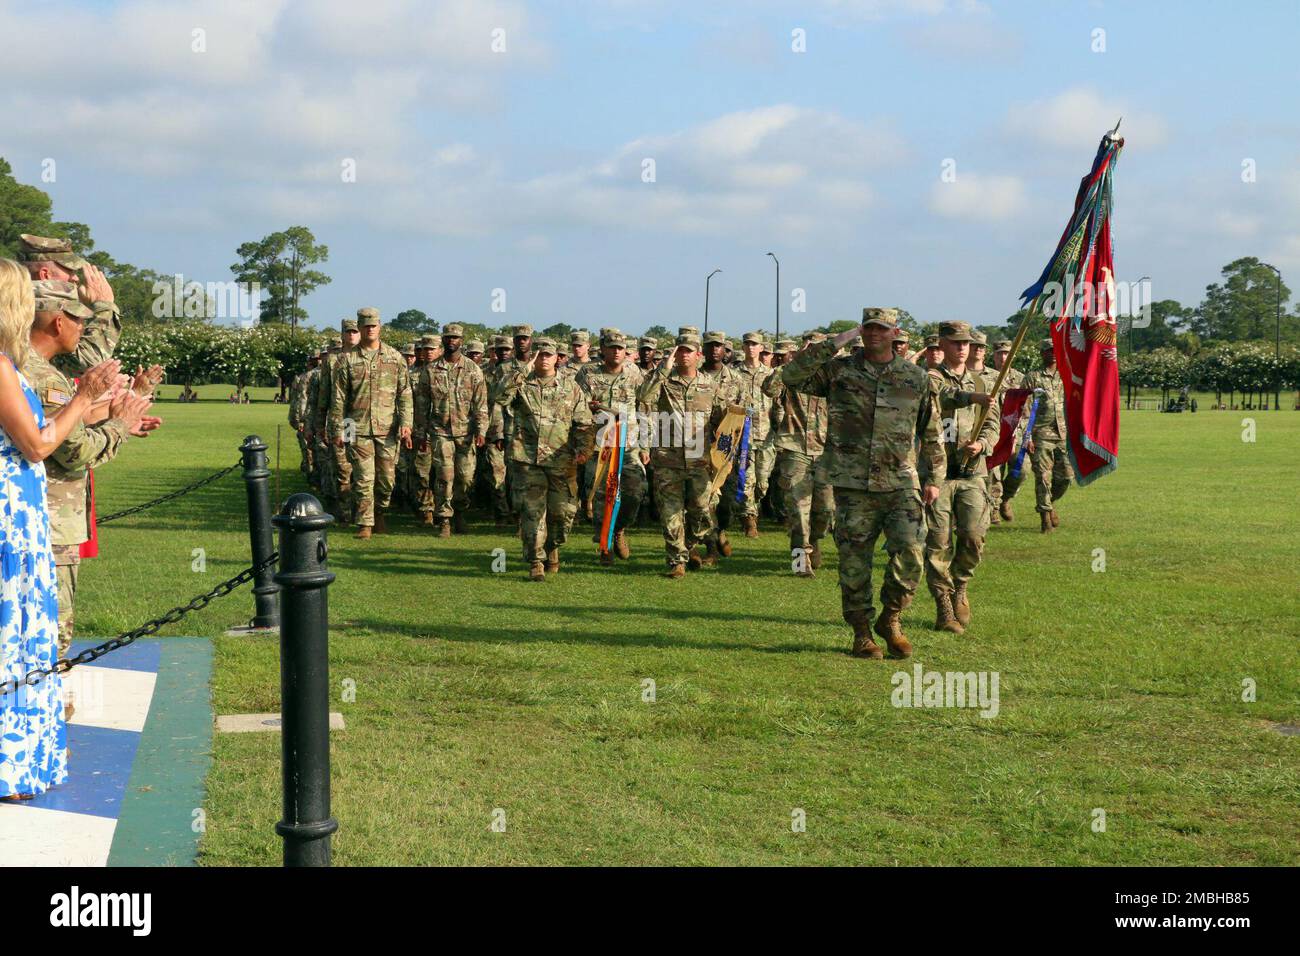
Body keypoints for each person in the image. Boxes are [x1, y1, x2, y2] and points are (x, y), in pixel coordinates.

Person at [0, 259, 119, 800]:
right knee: (15, 634)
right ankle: (12, 761)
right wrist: (85, 396)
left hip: (20, 511)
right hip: (12, 514)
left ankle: (22, 754)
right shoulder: (2, 364)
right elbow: (41, 443)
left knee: (26, 631)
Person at [779, 308, 944, 660]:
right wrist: (837, 341)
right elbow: (791, 376)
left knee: (912, 553)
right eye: (868, 328)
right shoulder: (840, 372)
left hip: (901, 482)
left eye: (882, 329)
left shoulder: (915, 377)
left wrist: (935, 478)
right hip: (852, 485)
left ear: (895, 333)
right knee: (854, 564)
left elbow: (931, 431)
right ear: (861, 331)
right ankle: (862, 633)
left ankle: (891, 617)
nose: (874, 334)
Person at [24, 280, 159, 692]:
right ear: (57, 321)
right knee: (50, 631)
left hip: (38, 517)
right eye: (80, 320)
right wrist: (120, 422)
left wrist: (115, 412)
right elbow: (72, 452)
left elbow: (65, 429)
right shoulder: (44, 377)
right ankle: (44, 715)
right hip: (49, 519)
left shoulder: (25, 367)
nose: (84, 329)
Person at [492, 337, 592, 580]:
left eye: (549, 354)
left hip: (561, 461)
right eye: (541, 354)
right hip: (527, 460)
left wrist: (584, 449)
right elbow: (500, 397)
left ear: (558, 357)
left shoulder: (571, 387)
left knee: (563, 513)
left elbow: (584, 422)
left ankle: (552, 548)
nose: (544, 358)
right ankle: (536, 561)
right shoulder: (522, 384)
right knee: (532, 513)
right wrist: (523, 370)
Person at [923, 321, 1000, 633]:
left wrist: (982, 444)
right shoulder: (930, 376)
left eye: (966, 343)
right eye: (955, 343)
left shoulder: (982, 384)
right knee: (938, 542)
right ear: (942, 344)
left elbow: (993, 423)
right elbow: (943, 395)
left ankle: (961, 584)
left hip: (973, 473)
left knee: (972, 536)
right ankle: (944, 606)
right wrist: (971, 398)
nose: (962, 348)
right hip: (938, 473)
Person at [636, 332, 730, 578]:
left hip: (700, 458)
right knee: (670, 513)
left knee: (702, 510)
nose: (683, 355)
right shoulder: (663, 382)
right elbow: (643, 397)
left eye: (688, 351)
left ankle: (687, 545)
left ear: (698, 355)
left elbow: (724, 422)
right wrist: (663, 368)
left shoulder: (710, 385)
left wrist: (727, 453)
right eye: (679, 351)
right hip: (668, 457)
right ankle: (676, 562)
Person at [330, 308, 413, 539]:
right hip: (358, 429)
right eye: (365, 326)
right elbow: (339, 399)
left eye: (373, 325)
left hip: (388, 429)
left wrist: (406, 424)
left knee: (386, 480)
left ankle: (380, 512)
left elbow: (404, 394)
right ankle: (365, 524)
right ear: (359, 327)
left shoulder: (395, 358)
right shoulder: (346, 360)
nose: (369, 329)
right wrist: (340, 431)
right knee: (364, 478)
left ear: (380, 327)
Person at [762, 331, 833, 577]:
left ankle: (815, 540)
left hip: (826, 450)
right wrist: (793, 363)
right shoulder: (792, 375)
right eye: (810, 348)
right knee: (798, 510)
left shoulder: (834, 375)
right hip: (795, 448)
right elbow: (769, 389)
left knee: (826, 511)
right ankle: (800, 561)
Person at [576, 330, 644, 565]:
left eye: (620, 348)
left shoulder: (634, 372)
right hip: (599, 445)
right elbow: (578, 405)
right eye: (612, 347)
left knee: (635, 492)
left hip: (628, 444)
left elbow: (644, 405)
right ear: (603, 350)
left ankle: (619, 529)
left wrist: (646, 444)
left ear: (626, 351)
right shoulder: (588, 373)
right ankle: (604, 544)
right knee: (600, 494)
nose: (616, 352)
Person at [416, 323, 487, 537]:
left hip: (466, 432)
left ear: (461, 341)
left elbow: (480, 403)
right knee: (444, 476)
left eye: (455, 337)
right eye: (448, 337)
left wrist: (481, 430)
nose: (451, 341)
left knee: (465, 477)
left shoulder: (473, 370)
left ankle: (460, 512)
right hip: (440, 431)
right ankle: (445, 519)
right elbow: (421, 404)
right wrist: (420, 433)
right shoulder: (430, 370)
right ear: (443, 340)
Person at [1016, 339, 1073, 532]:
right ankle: (1045, 519)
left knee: (1066, 477)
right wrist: (1027, 436)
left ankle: (1049, 503)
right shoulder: (1032, 377)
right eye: (1048, 350)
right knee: (1042, 477)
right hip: (1040, 434)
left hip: (1063, 433)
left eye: (1055, 350)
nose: (1053, 353)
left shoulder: (1066, 375)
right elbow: (1024, 408)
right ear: (1042, 354)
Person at [727, 331, 774, 539]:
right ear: (743, 347)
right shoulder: (734, 373)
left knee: (762, 482)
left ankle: (752, 507)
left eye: (755, 344)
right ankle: (749, 518)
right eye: (747, 344)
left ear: (761, 348)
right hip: (742, 436)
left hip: (766, 435)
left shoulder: (770, 374)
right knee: (746, 478)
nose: (751, 348)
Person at [988, 337, 1026, 523]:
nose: (1003, 357)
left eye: (1007, 353)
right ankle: (993, 508)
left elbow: (1027, 411)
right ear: (993, 355)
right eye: (999, 353)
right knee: (993, 473)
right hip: (992, 434)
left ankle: (1006, 499)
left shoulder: (1020, 379)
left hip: (1015, 436)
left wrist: (1029, 436)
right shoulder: (985, 377)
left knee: (1021, 470)